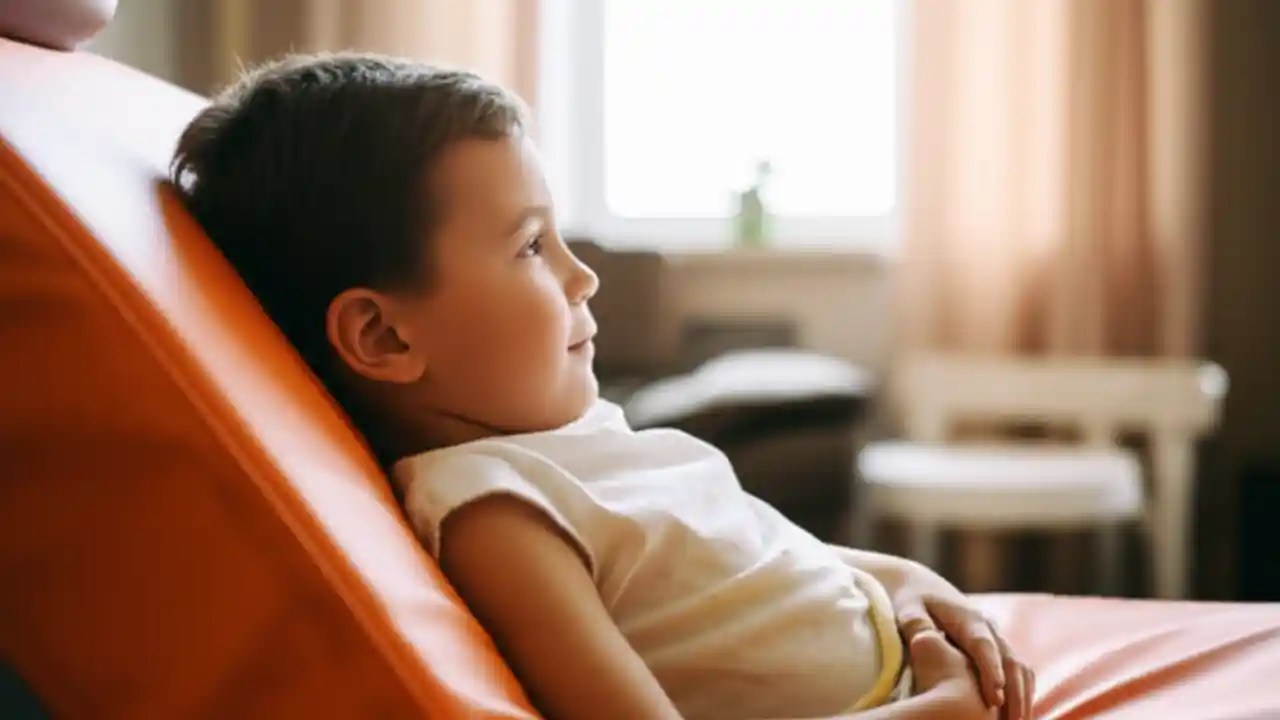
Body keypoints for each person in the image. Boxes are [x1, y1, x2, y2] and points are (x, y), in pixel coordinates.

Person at [171, 53, 1034, 720]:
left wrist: (914, 586)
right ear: (385, 335)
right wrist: (940, 711)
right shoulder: (495, 511)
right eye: (530, 247)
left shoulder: (573, 438)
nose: (583, 277)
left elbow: (747, 557)